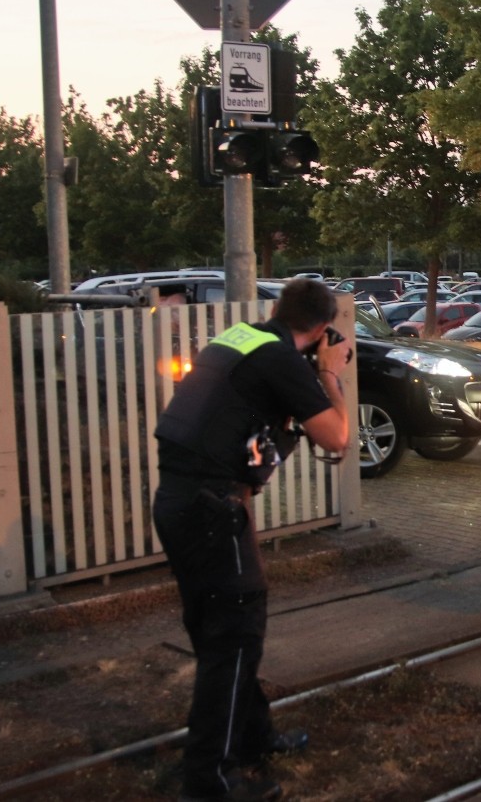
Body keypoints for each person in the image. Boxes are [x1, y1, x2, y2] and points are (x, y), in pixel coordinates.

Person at [151, 278, 353, 802]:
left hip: (182, 502)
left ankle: (254, 735)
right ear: (321, 328)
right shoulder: (284, 360)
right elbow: (336, 436)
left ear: (276, 310)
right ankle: (210, 781)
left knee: (220, 632)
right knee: (235, 636)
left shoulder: (240, 339)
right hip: (210, 510)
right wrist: (329, 373)